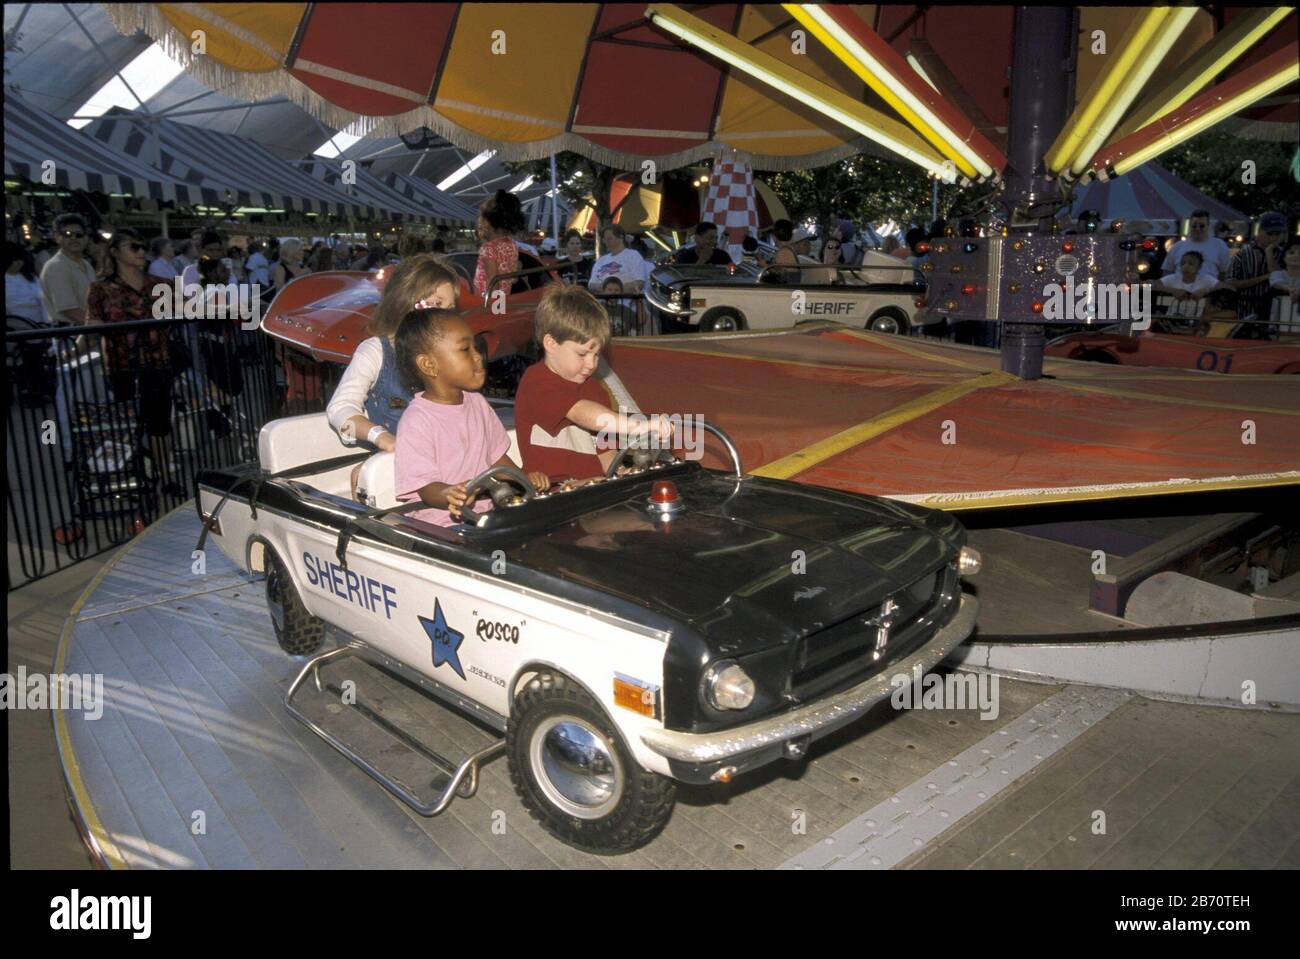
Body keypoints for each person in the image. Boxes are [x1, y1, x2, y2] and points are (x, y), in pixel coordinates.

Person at [393, 309, 547, 526]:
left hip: (486, 516)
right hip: (442, 528)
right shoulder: (417, 420)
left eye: (477, 347)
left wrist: (523, 478)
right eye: (465, 349)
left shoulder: (477, 402)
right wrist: (450, 493)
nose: (477, 356)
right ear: (429, 365)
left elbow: (496, 459)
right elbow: (426, 487)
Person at [515, 284, 672, 483]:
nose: (591, 364)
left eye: (596, 354)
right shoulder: (537, 382)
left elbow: (606, 453)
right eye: (582, 354)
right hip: (551, 493)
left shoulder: (594, 389)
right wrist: (638, 426)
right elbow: (582, 413)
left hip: (591, 490)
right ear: (551, 344)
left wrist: (621, 472)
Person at [85, 228, 182, 496]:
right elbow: (92, 324)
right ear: (115, 252)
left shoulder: (160, 284)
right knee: (127, 423)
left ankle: (164, 477)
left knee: (159, 424)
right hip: (121, 365)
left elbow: (194, 304)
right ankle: (134, 474)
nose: (141, 252)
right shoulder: (100, 289)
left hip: (157, 362)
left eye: (142, 247)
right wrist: (72, 349)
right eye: (134, 246)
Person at [1221, 211, 1288, 326]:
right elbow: (1231, 282)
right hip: (1245, 308)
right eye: (1270, 233)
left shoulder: (1284, 255)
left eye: (1278, 234)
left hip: (1273, 311)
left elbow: (1278, 278)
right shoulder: (1243, 254)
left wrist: (1269, 251)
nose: (1274, 237)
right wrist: (1264, 278)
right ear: (1260, 232)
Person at [38, 213, 97, 325]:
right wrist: (101, 326)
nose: (73, 238)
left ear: (86, 238)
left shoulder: (86, 264)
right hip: (70, 334)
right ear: (57, 237)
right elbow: (69, 310)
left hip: (90, 331)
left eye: (79, 234)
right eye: (67, 234)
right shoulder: (55, 266)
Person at [474, 189, 525, 298]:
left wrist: (494, 311)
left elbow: (493, 285)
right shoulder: (511, 245)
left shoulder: (489, 248)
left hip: (484, 305)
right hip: (503, 301)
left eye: (480, 219)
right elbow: (514, 279)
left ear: (487, 223)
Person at [1164, 210, 1232, 280]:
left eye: (1202, 226)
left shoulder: (1219, 245)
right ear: (1190, 226)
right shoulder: (1177, 246)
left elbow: (1224, 273)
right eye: (1194, 226)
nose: (1197, 228)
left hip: (1209, 289)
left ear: (1208, 225)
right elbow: (1167, 272)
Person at [1156, 251, 1218, 318]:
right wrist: (1172, 290)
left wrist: (1206, 290)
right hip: (1171, 320)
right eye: (1183, 263)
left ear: (1199, 267)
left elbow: (1226, 288)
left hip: (1196, 322)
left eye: (1191, 264)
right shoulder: (1172, 278)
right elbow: (1149, 285)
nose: (1186, 266)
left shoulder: (1206, 279)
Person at [588, 224, 647, 294]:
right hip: (603, 302)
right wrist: (615, 289)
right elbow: (591, 285)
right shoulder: (601, 260)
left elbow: (639, 283)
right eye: (604, 239)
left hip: (625, 302)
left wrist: (611, 290)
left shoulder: (633, 255)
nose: (605, 242)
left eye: (609, 238)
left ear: (621, 237)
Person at [6, 242, 49, 326]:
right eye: (14, 260)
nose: (19, 263)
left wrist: (47, 323)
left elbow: (43, 300)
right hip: (15, 325)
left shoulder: (31, 277)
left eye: (20, 259)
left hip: (38, 324)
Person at [181, 230, 226, 297]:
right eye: (194, 239)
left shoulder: (225, 270)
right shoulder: (190, 270)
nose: (196, 242)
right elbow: (188, 296)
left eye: (199, 239)